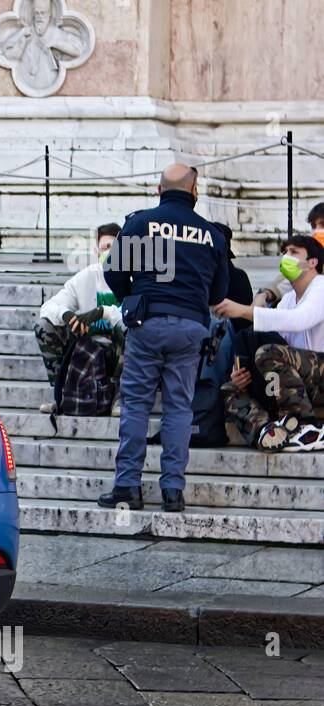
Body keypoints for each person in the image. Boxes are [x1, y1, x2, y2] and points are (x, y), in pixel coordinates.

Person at [97, 164, 229, 513]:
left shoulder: (140, 223)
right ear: (194, 191)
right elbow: (219, 292)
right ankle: (173, 491)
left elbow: (112, 273)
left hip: (147, 322)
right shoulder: (212, 234)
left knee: (137, 404)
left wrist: (134, 297)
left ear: (158, 189)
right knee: (179, 407)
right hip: (190, 327)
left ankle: (127, 487)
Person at [215, 235, 324, 451]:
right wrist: (242, 377)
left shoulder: (321, 286)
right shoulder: (288, 299)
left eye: (294, 252)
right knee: (230, 389)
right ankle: (268, 431)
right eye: (285, 252)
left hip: (319, 376)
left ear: (312, 262)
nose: (287, 257)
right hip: (296, 383)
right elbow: (274, 333)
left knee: (269, 352)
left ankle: (306, 425)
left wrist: (246, 311)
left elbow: (300, 320)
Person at [34, 223, 124, 413]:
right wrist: (65, 315)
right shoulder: (86, 277)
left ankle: (120, 398)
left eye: (115, 248)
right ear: (96, 250)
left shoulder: (132, 278)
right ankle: (63, 394)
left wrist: (104, 312)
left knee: (135, 332)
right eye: (105, 247)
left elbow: (133, 318)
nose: (110, 252)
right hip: (88, 349)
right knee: (44, 326)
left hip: (118, 348)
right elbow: (49, 306)